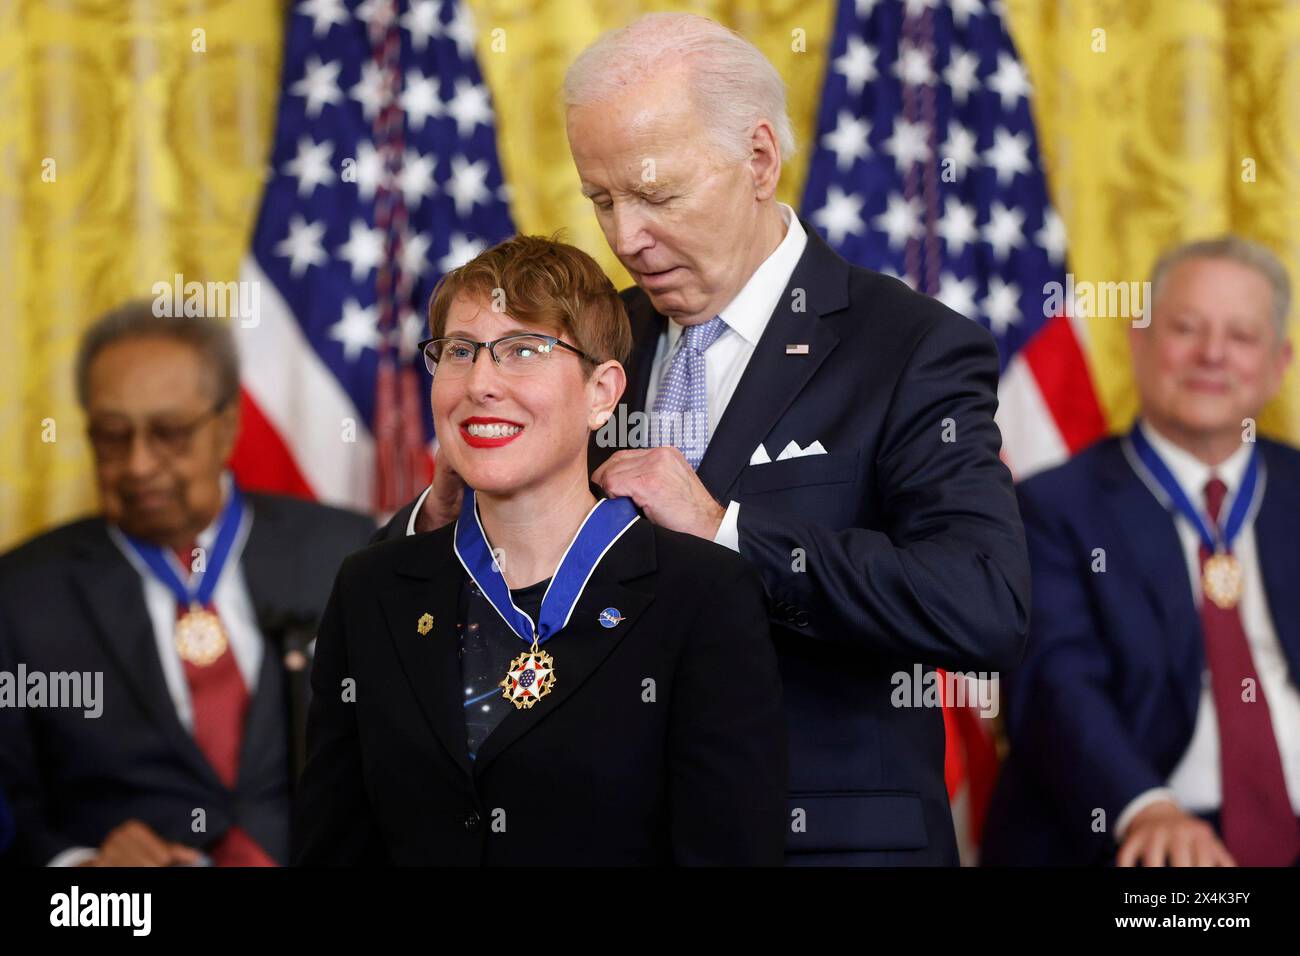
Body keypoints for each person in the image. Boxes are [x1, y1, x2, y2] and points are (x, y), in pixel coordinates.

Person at [378, 14, 1029, 865]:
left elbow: (984, 604)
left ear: (759, 159)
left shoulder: (909, 349)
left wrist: (725, 531)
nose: (624, 237)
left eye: (657, 194)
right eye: (602, 199)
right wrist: (444, 514)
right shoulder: (592, 343)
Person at [294, 235, 787, 866]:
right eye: (460, 351)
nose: (480, 384)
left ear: (602, 393)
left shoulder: (703, 594)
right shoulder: (372, 588)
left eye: (522, 350)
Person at [0, 303, 375, 867]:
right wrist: (80, 867)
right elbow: (12, 812)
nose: (138, 464)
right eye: (111, 436)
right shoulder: (23, 593)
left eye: (169, 433)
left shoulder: (346, 554)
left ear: (227, 426)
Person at [983, 237, 1300, 867]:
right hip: (1143, 824)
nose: (1212, 354)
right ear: (1140, 340)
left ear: (1279, 363)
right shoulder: (1050, 507)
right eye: (1186, 328)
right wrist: (1144, 806)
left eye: (1240, 336)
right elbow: (1056, 685)